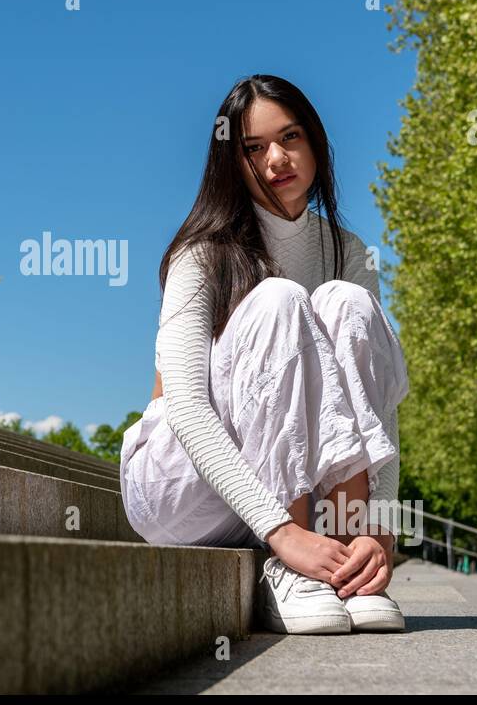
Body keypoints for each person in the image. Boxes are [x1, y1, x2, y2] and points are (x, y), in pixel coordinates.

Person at [120, 74, 410, 635]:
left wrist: (381, 524)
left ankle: (349, 556)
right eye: (253, 148)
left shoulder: (348, 252)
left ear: (316, 145)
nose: (277, 158)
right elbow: (186, 407)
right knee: (279, 297)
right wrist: (282, 534)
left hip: (280, 497)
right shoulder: (202, 254)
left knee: (347, 304)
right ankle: (294, 569)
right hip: (180, 485)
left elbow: (379, 404)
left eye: (291, 136)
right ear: (232, 161)